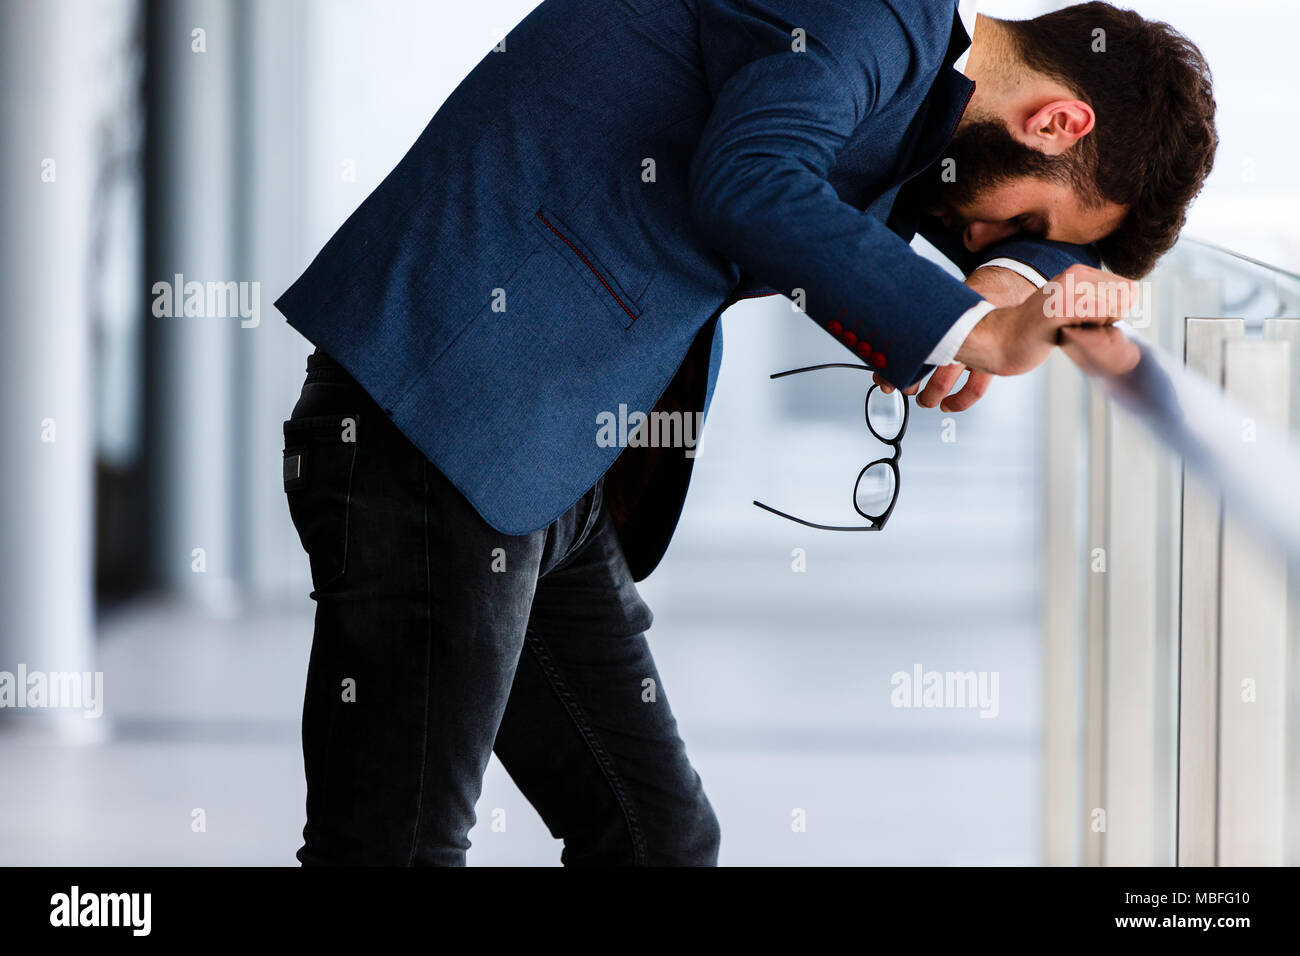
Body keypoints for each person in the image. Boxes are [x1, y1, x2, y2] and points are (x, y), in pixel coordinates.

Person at [274, 0, 1217, 865]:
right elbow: (752, 181)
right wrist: (983, 329)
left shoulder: (914, 70)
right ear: (1056, 120)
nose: (976, 242)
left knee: (659, 842)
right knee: (395, 848)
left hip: (539, 458)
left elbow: (944, 202)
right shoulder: (876, 13)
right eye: (1019, 222)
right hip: (438, 417)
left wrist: (1025, 269)